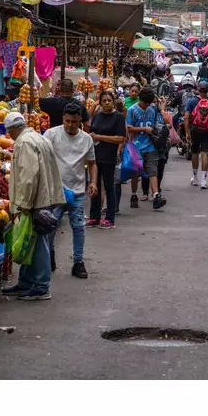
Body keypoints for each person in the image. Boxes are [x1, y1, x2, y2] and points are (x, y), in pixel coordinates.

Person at [1, 112, 66, 300]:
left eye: (9, 132)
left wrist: (24, 205)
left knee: (38, 244)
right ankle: (26, 282)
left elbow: (28, 178)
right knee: (29, 242)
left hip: (36, 202)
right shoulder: (38, 137)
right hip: (44, 199)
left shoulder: (25, 143)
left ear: (12, 130)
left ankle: (41, 286)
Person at [44, 103, 98, 279]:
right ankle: (49, 256)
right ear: (63, 119)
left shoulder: (86, 139)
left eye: (74, 122)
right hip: (55, 191)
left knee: (79, 227)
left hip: (77, 191)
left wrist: (93, 182)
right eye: (67, 121)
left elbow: (92, 163)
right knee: (51, 227)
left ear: (80, 121)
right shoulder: (51, 135)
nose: (70, 125)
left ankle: (78, 262)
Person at [87, 90, 127, 229]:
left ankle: (110, 217)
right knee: (94, 185)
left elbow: (121, 138)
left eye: (109, 100)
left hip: (109, 157)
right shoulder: (97, 116)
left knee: (109, 187)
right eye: (103, 101)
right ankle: (94, 217)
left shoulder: (118, 118)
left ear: (113, 101)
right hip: (95, 156)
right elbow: (91, 130)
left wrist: (99, 137)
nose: (106, 103)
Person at [126, 86, 168, 210]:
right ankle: (134, 194)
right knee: (135, 173)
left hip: (150, 145)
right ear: (140, 99)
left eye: (149, 103)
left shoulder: (153, 109)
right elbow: (129, 128)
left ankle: (156, 195)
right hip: (136, 146)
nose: (147, 106)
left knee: (152, 171)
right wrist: (143, 129)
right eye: (145, 103)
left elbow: (156, 123)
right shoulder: (132, 110)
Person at [184, 80, 208, 189]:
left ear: (198, 89)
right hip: (207, 131)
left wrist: (187, 132)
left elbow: (186, 117)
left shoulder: (192, 101)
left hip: (195, 130)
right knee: (205, 154)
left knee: (195, 153)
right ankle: (204, 180)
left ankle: (195, 177)